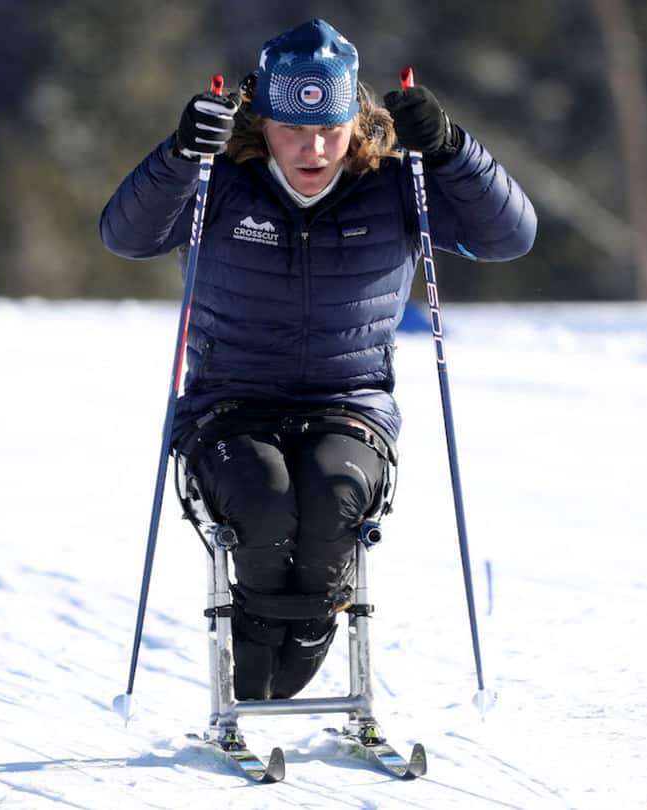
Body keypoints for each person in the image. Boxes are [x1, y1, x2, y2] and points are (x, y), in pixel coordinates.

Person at [101, 19, 536, 701]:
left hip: (349, 405)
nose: (314, 148)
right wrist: (180, 154)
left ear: (354, 123)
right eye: (294, 130)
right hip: (230, 404)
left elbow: (510, 237)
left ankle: (301, 642)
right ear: (263, 121)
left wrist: (453, 152)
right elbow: (126, 237)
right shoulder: (219, 182)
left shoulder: (392, 187)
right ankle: (253, 659)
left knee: (333, 505)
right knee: (265, 510)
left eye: (330, 130)